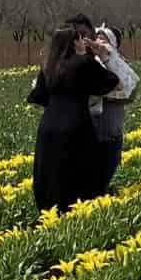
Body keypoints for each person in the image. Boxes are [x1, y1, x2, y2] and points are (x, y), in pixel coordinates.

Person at [29, 21, 119, 213]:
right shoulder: (83, 63)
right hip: (76, 124)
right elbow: (110, 82)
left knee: (51, 172)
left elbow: (39, 97)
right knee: (78, 171)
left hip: (48, 126)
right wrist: (100, 56)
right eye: (80, 40)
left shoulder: (49, 66)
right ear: (75, 42)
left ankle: (49, 212)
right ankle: (75, 211)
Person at [90, 25, 139, 188]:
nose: (99, 41)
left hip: (111, 122)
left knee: (109, 158)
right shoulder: (87, 60)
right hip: (91, 122)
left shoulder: (119, 62)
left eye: (104, 38)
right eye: (96, 37)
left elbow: (129, 89)